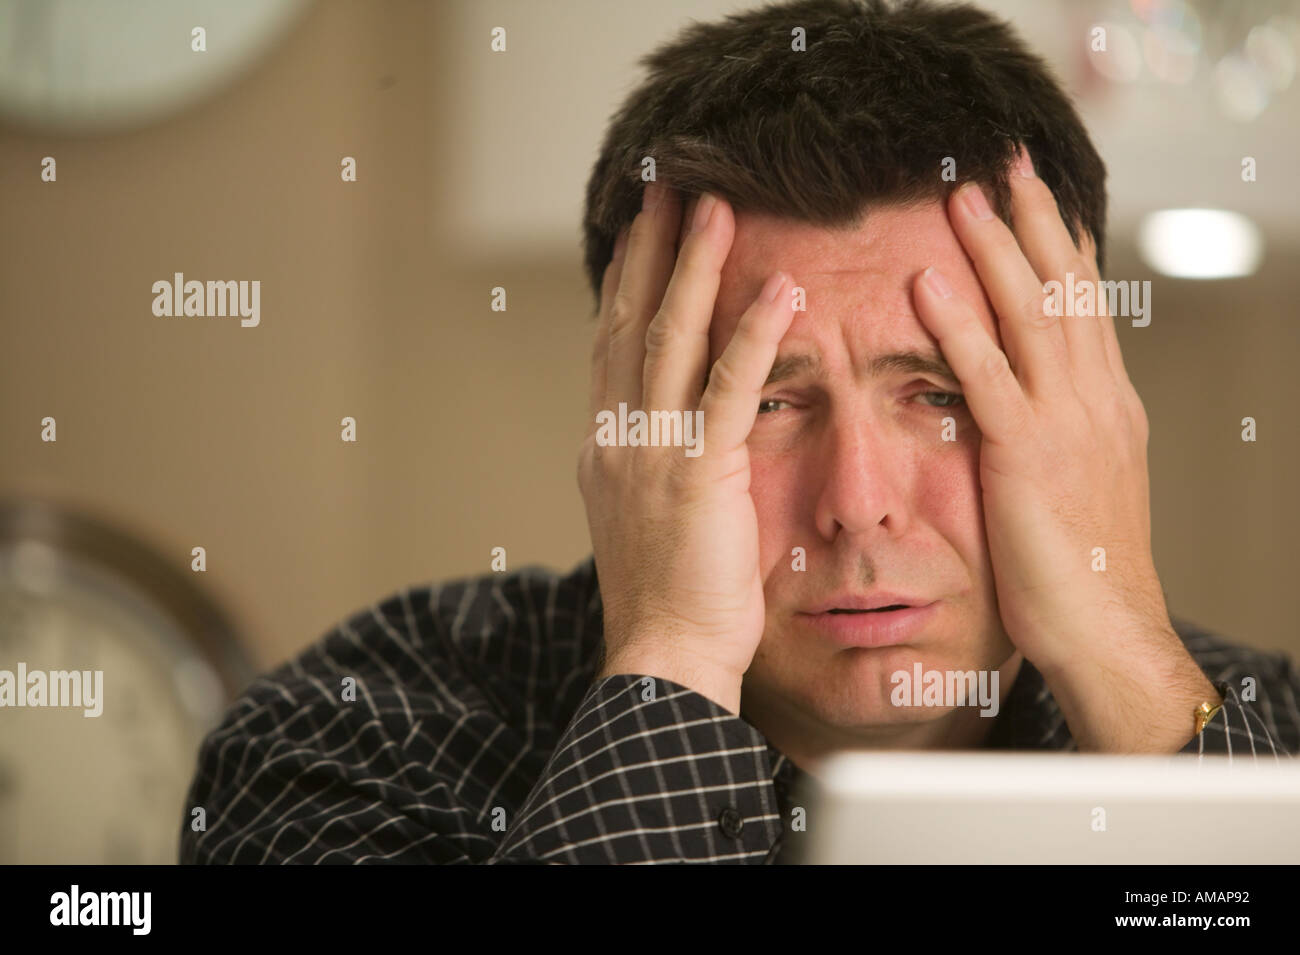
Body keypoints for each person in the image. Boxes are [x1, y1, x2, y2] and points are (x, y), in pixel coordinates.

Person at [180, 0, 1300, 865]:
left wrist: (1120, 650)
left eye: (941, 391)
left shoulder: (1271, 729)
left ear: (1087, 399)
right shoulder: (348, 741)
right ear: (633, 407)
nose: (854, 501)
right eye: (762, 398)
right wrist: (670, 654)